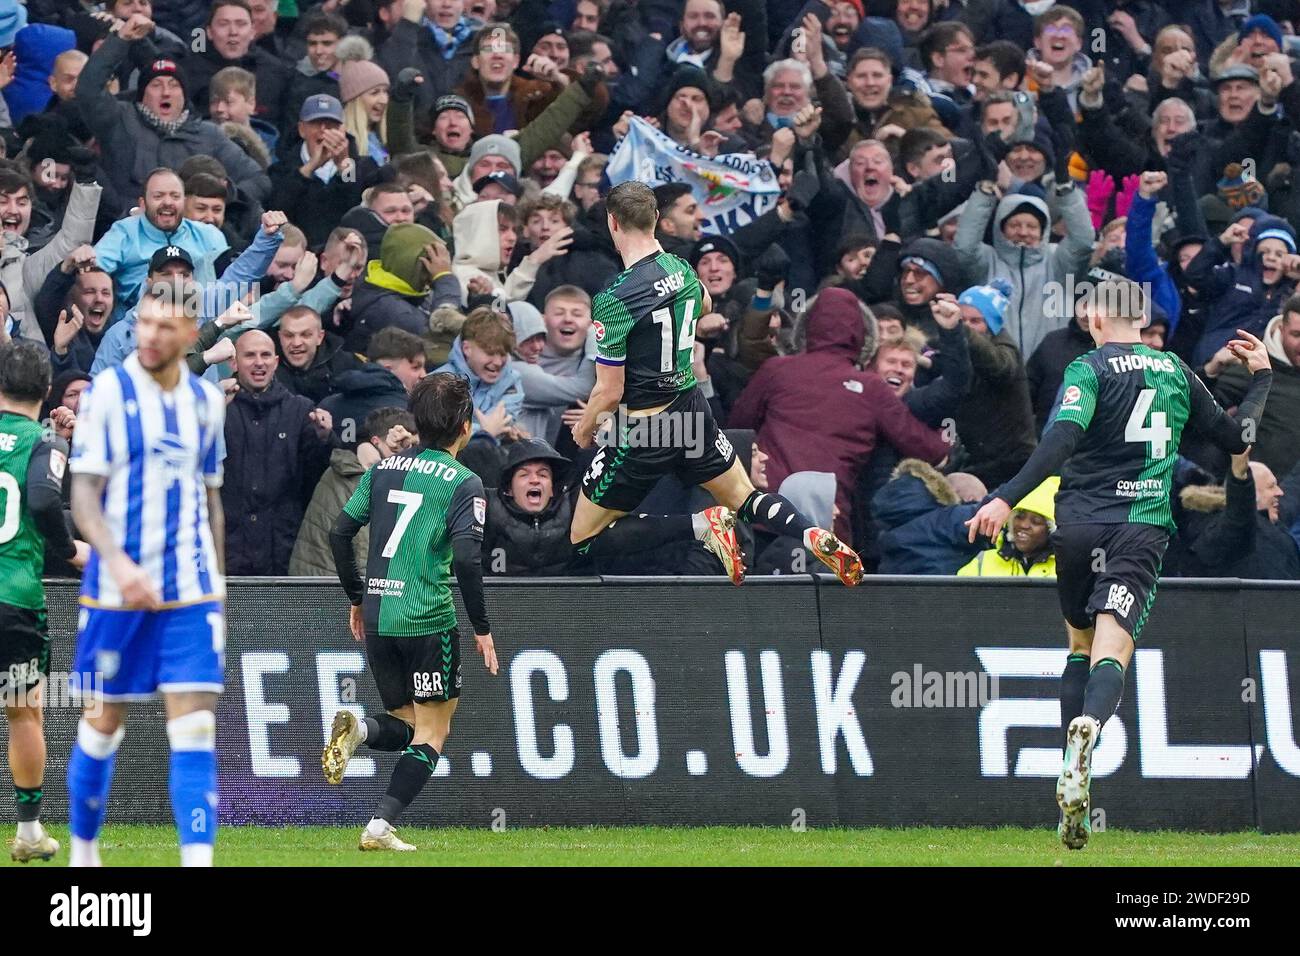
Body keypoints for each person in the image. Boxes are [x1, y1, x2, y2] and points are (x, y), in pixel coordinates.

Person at [966, 277, 1274, 852]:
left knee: (1078, 647)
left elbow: (1058, 441)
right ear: (1141, 321)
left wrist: (1005, 495)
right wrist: (1260, 377)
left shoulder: (1088, 369)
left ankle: (1067, 766)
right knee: (1114, 649)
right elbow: (1238, 436)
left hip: (1079, 525)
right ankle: (1091, 729)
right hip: (1141, 528)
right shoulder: (1177, 371)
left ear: (1093, 318)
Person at [568, 181, 863, 586]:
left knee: (584, 536)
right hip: (691, 409)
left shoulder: (614, 298)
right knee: (745, 498)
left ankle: (701, 526)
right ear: (656, 219)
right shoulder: (681, 268)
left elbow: (609, 391)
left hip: (645, 426)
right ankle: (811, 533)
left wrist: (584, 431)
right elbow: (705, 304)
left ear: (612, 222)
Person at [66, 280, 229, 867]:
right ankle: (84, 855)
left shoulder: (207, 402)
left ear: (190, 333)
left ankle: (198, 862)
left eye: (165, 326)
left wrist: (219, 585)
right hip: (115, 591)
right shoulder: (108, 391)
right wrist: (118, 563)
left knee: (193, 732)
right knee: (102, 724)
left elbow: (211, 499)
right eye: (144, 324)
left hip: (189, 592)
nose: (151, 336)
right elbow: (84, 495)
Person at [324, 371, 499, 852]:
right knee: (434, 731)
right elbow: (466, 558)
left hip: (379, 616)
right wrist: (481, 628)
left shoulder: (384, 469)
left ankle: (360, 728)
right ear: (465, 426)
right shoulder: (465, 482)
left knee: (405, 721)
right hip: (427, 619)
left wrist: (356, 597)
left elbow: (339, 533)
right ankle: (380, 825)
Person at [0, 341, 85, 862]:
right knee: (23, 713)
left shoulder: (48, 442)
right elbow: (40, 497)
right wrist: (72, 549)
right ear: (48, 389)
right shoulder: (44, 442)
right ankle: (30, 831)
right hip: (14, 600)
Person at [958, 476, 1058, 577]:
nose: (1024, 525)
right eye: (1019, 516)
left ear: (1051, 530)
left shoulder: (1066, 567)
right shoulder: (983, 562)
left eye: (1036, 521)